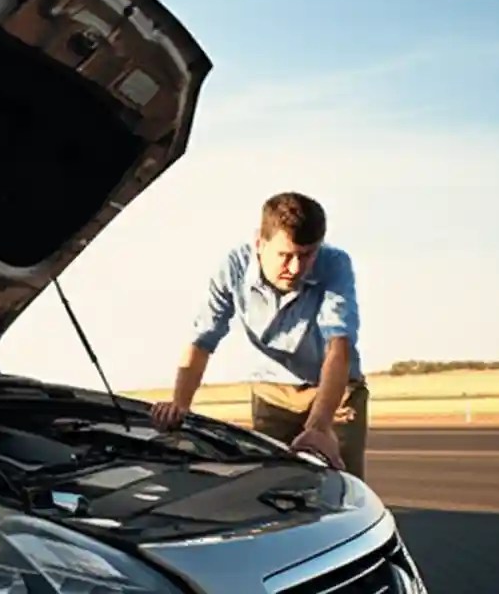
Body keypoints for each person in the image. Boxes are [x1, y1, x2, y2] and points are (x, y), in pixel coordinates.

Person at [150, 191, 370, 479]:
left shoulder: (335, 263)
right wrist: (180, 406)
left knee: (342, 484)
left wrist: (319, 427)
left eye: (306, 255)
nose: (295, 268)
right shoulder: (233, 268)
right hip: (272, 392)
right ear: (259, 243)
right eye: (285, 256)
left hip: (335, 391)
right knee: (270, 483)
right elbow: (202, 340)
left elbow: (339, 345)